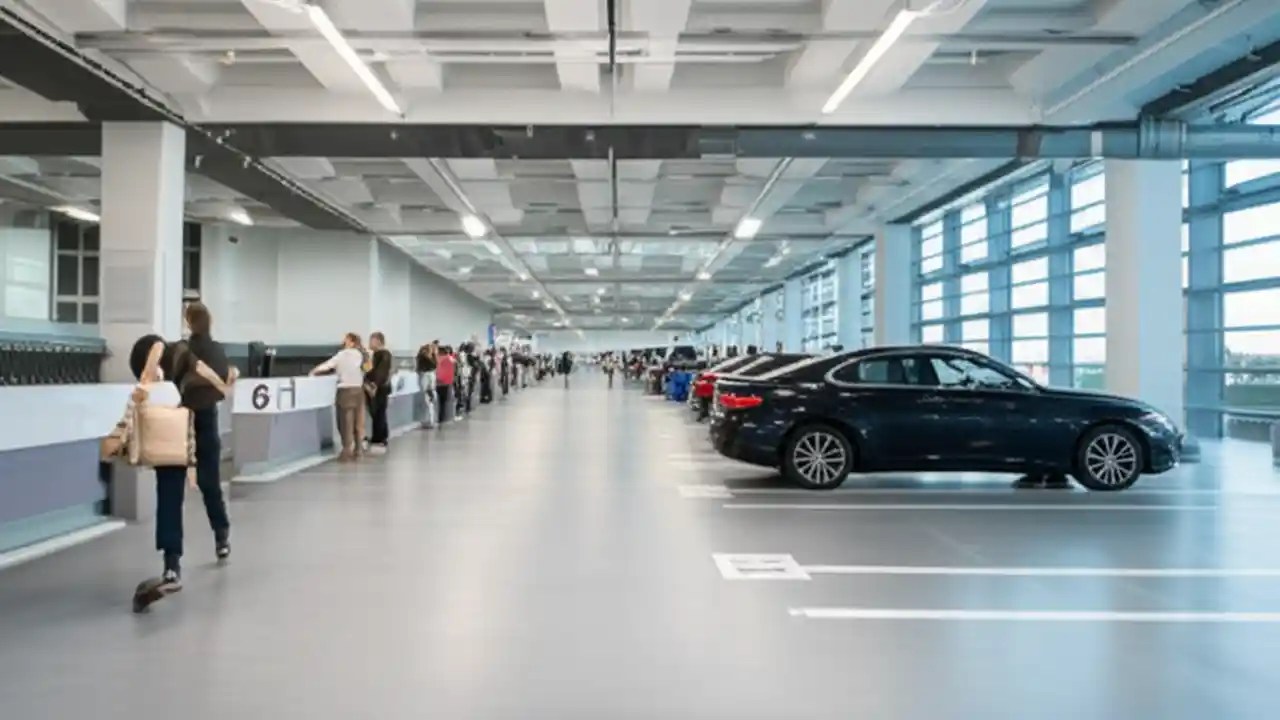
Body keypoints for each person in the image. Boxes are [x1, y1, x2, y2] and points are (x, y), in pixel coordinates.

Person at [117, 304, 235, 606]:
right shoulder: (158, 381)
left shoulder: (171, 350)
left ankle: (220, 535)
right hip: (172, 426)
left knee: (207, 483)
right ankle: (172, 564)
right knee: (170, 493)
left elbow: (193, 367)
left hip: (200, 419)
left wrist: (222, 386)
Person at [311, 332, 366, 460]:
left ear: (351, 342)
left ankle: (347, 449)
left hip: (345, 390)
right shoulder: (362, 355)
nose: (343, 342)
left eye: (346, 340)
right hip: (358, 390)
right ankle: (359, 449)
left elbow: (328, 365)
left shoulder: (342, 355)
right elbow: (368, 369)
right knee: (358, 421)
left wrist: (314, 371)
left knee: (345, 421)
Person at [365, 331, 393, 452]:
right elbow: (368, 369)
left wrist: (374, 384)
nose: (369, 343)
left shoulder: (384, 354)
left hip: (380, 388)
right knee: (377, 412)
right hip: (377, 387)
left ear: (378, 341)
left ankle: (380, 437)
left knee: (379, 412)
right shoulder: (375, 355)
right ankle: (380, 435)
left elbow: (381, 372)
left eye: (371, 340)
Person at [416, 341, 439, 429]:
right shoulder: (426, 358)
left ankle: (428, 420)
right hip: (427, 378)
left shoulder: (424, 358)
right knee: (429, 399)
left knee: (427, 400)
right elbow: (435, 365)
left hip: (426, 378)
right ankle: (429, 420)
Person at [436, 346, 455, 425]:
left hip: (438, 382)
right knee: (443, 401)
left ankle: (439, 417)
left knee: (439, 401)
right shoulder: (449, 358)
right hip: (446, 382)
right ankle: (443, 417)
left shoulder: (437, 359)